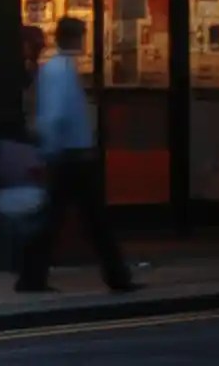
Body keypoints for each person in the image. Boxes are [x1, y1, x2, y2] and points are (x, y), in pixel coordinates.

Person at [15, 17, 139, 293]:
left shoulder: (56, 69)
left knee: (58, 221)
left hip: (67, 156)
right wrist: (52, 149)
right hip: (71, 158)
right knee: (89, 222)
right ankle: (117, 278)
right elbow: (56, 114)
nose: (83, 42)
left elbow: (51, 113)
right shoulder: (61, 70)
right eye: (82, 36)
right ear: (74, 38)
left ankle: (32, 278)